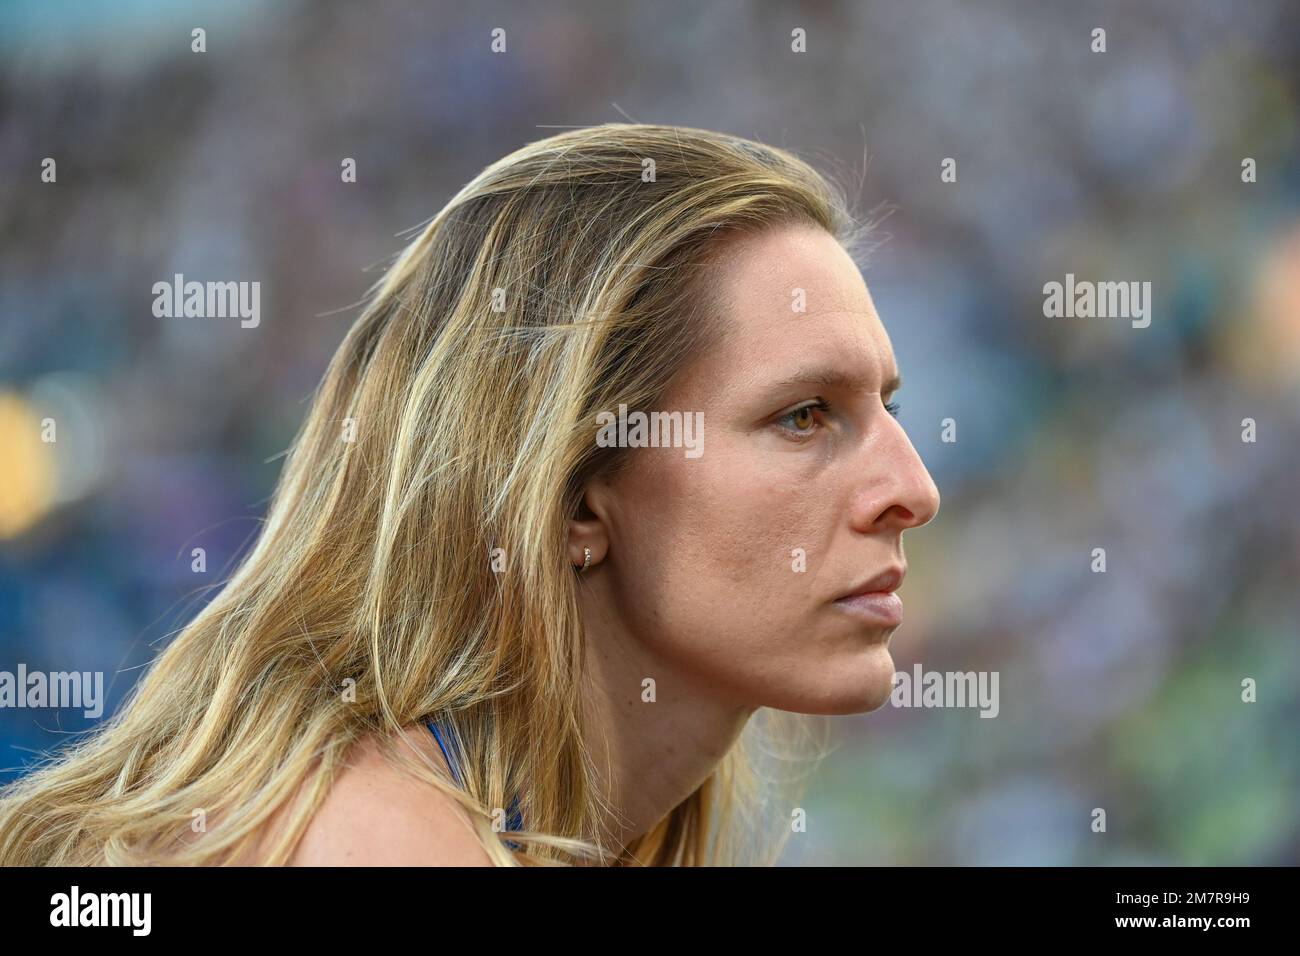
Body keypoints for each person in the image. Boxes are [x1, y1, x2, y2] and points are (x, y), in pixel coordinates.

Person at [0, 123, 939, 866]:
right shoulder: (368, 842)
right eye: (804, 416)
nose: (913, 489)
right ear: (575, 497)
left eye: (888, 408)